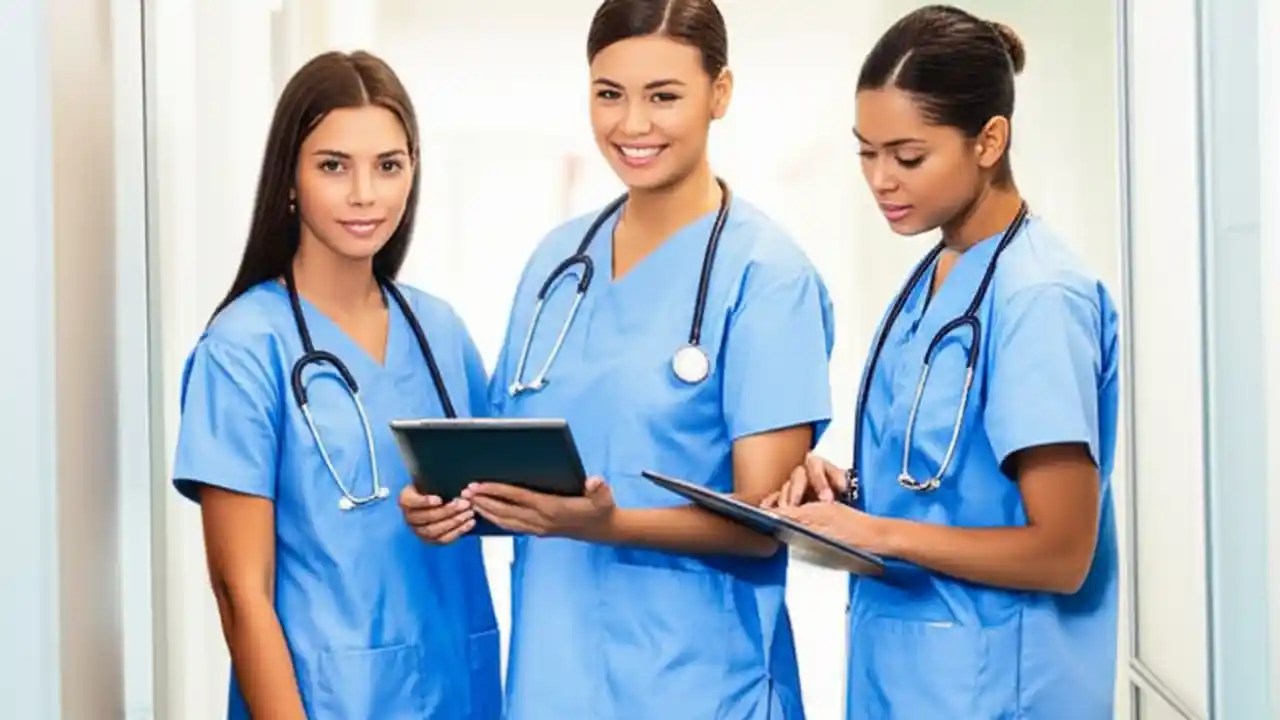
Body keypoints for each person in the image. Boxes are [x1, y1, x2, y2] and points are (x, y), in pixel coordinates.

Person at [399, 0, 835, 717]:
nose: (632, 124)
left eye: (663, 96)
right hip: (553, 681)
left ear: (719, 94)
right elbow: (516, 473)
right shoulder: (556, 264)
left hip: (701, 686)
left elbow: (765, 525)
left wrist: (610, 525)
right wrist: (454, 504)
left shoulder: (766, 275)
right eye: (609, 94)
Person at [764, 6, 1121, 719]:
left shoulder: (1038, 297)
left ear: (989, 140)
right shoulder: (938, 278)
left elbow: (1062, 552)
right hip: (908, 679)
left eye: (908, 155)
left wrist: (881, 532)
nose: (881, 180)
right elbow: (943, 477)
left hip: (1001, 688)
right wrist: (848, 498)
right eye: (866, 152)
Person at [170, 51, 501, 720]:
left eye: (388, 165)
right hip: (323, 702)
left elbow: (505, 497)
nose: (364, 195)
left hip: (456, 690)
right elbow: (242, 593)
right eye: (333, 166)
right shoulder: (243, 349)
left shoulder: (440, 332)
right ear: (289, 181)